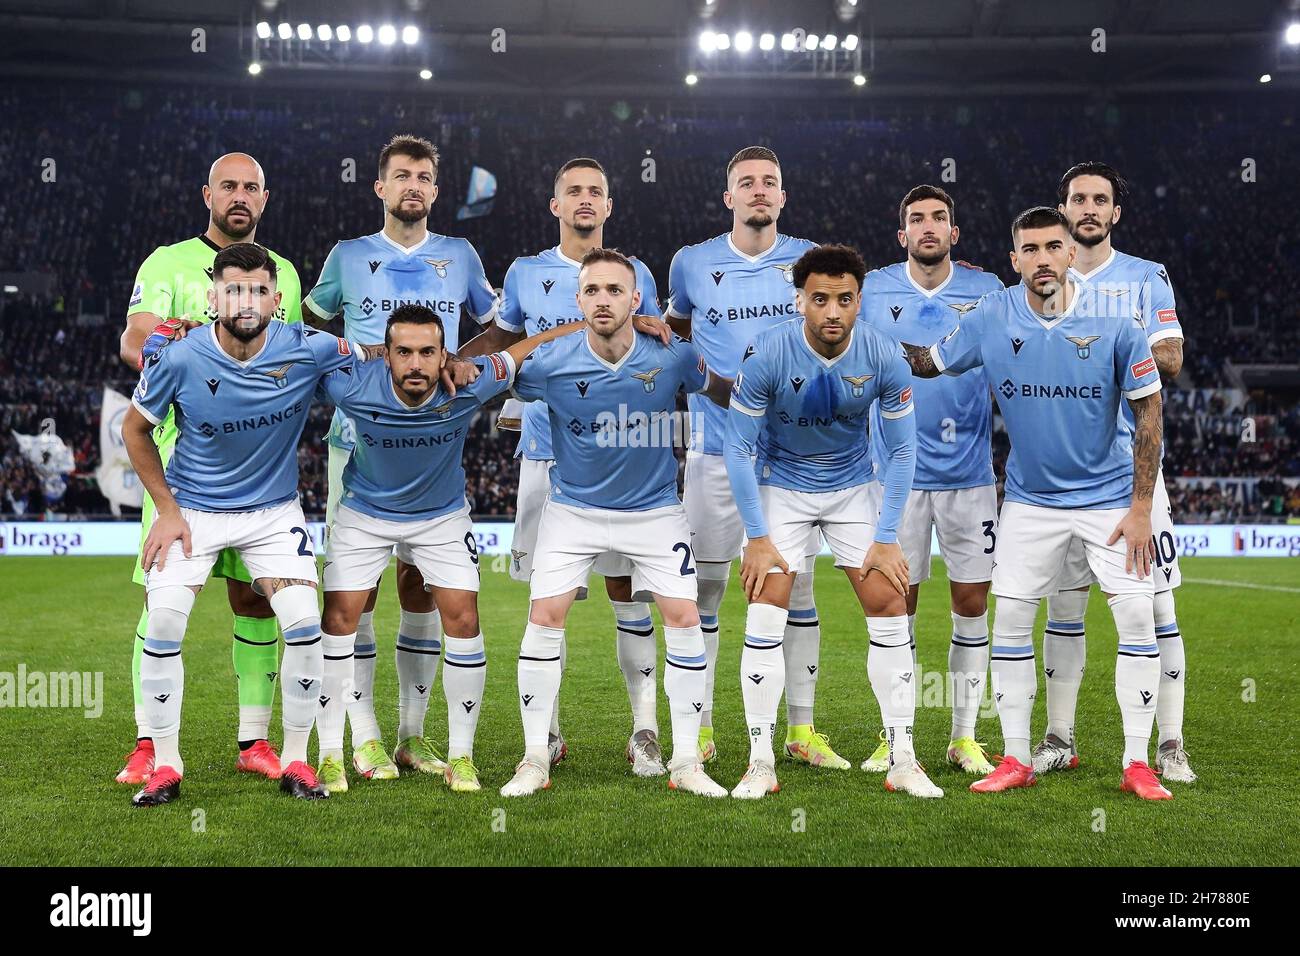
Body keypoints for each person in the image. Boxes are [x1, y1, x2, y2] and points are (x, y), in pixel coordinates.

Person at [902, 207, 1172, 800]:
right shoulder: (991, 316)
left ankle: (1137, 762)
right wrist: (853, 339)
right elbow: (926, 361)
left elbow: (1149, 411)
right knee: (1013, 618)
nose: (1044, 258)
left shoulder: (1117, 323)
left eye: (1055, 246)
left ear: (1071, 253)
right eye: (1031, 249)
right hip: (1029, 500)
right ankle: (1017, 756)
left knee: (1135, 617)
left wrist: (1141, 507)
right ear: (1014, 259)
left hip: (1108, 501)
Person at [121, 242, 359, 805]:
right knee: (162, 627)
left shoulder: (307, 348)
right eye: (234, 288)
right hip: (193, 513)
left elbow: (375, 357)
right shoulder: (180, 357)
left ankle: (297, 761)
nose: (245, 300)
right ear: (213, 297)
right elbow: (134, 430)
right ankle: (167, 764)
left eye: (257, 290)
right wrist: (167, 509)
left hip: (273, 514)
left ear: (278, 300)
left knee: (304, 625)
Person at [313, 304, 586, 794]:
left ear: (445, 357)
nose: (415, 364)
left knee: (462, 617)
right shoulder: (352, 383)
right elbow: (292, 355)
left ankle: (460, 754)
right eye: (403, 353)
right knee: (340, 620)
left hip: (441, 516)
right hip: (365, 514)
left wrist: (594, 323)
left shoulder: (472, 381)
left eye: (427, 352)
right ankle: (333, 751)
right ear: (386, 356)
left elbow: (527, 347)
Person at [458, 157, 673, 775]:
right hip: (546, 455)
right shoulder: (526, 273)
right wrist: (452, 363)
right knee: (547, 599)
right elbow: (501, 345)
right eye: (573, 191)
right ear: (556, 206)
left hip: (624, 454)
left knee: (628, 593)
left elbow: (652, 348)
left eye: (596, 192)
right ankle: (546, 735)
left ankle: (645, 730)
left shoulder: (635, 274)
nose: (585, 200)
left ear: (609, 206)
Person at [498, 248, 732, 798]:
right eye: (592, 291)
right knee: (545, 615)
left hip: (654, 512)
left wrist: (765, 398)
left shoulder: (671, 355)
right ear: (579, 300)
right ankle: (535, 756)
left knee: (683, 617)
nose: (603, 299)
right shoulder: (552, 361)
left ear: (636, 299)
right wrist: (552, 336)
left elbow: (720, 388)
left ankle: (686, 761)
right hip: (572, 511)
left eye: (614, 290)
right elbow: (501, 367)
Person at [302, 134, 497, 781]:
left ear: (436, 191)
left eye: (424, 176)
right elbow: (312, 322)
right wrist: (347, 359)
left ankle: (413, 737)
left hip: (432, 443)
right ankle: (363, 737)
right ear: (379, 187)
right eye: (401, 175)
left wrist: (464, 358)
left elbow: (499, 324)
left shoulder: (459, 255)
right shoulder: (349, 255)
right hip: (357, 444)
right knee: (357, 596)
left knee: (422, 588)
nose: (413, 185)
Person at [725, 243, 941, 799]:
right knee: (765, 608)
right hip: (783, 488)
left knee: (890, 605)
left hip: (852, 491)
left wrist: (888, 535)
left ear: (859, 300)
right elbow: (738, 450)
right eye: (820, 299)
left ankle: (903, 758)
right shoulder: (767, 356)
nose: (832, 312)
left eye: (845, 299)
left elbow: (902, 452)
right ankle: (759, 761)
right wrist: (756, 535)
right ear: (800, 300)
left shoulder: (883, 355)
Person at [115, 152, 303, 786]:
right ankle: (149, 743)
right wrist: (177, 344)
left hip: (257, 474)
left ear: (265, 198)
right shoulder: (166, 263)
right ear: (208, 195)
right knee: (161, 605)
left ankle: (254, 738)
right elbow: (133, 340)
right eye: (229, 186)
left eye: (251, 187)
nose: (240, 196)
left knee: (253, 598)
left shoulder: (285, 276)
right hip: (176, 466)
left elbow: (291, 361)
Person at [665, 146, 845, 769]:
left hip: (793, 460)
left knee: (795, 591)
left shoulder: (810, 261)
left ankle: (800, 729)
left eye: (770, 182)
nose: (759, 192)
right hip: (716, 452)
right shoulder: (691, 263)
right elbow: (678, 336)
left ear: (783, 196)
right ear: (728, 197)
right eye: (747, 183)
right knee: (705, 589)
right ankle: (704, 727)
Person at [1034, 162, 1195, 783]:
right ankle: (1058, 738)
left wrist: (1092, 352)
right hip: (1059, 477)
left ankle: (1170, 745)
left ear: (1115, 213)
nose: (1089, 209)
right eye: (1078, 199)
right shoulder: (1042, 277)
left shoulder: (1146, 279)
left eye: (1100, 200)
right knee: (1063, 607)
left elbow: (1171, 359)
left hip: (1134, 480)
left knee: (1157, 609)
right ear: (1064, 208)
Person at [858, 185, 1005, 775]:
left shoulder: (988, 289)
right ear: (902, 235)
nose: (928, 227)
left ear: (954, 232)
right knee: (897, 606)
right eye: (916, 218)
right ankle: (896, 737)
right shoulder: (871, 290)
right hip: (895, 474)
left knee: (971, 604)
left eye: (939, 218)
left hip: (970, 474)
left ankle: (964, 736)